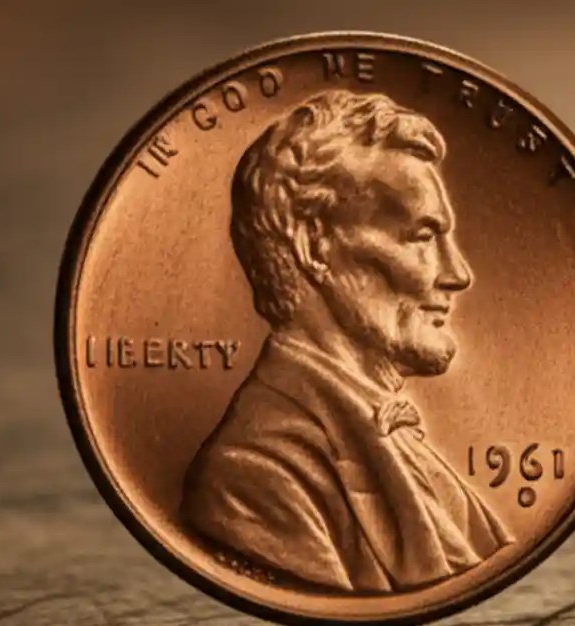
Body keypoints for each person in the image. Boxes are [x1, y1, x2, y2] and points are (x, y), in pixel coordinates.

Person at [180, 90, 513, 593]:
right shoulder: (252, 476)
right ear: (315, 245)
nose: (458, 274)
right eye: (422, 238)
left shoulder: (400, 440)